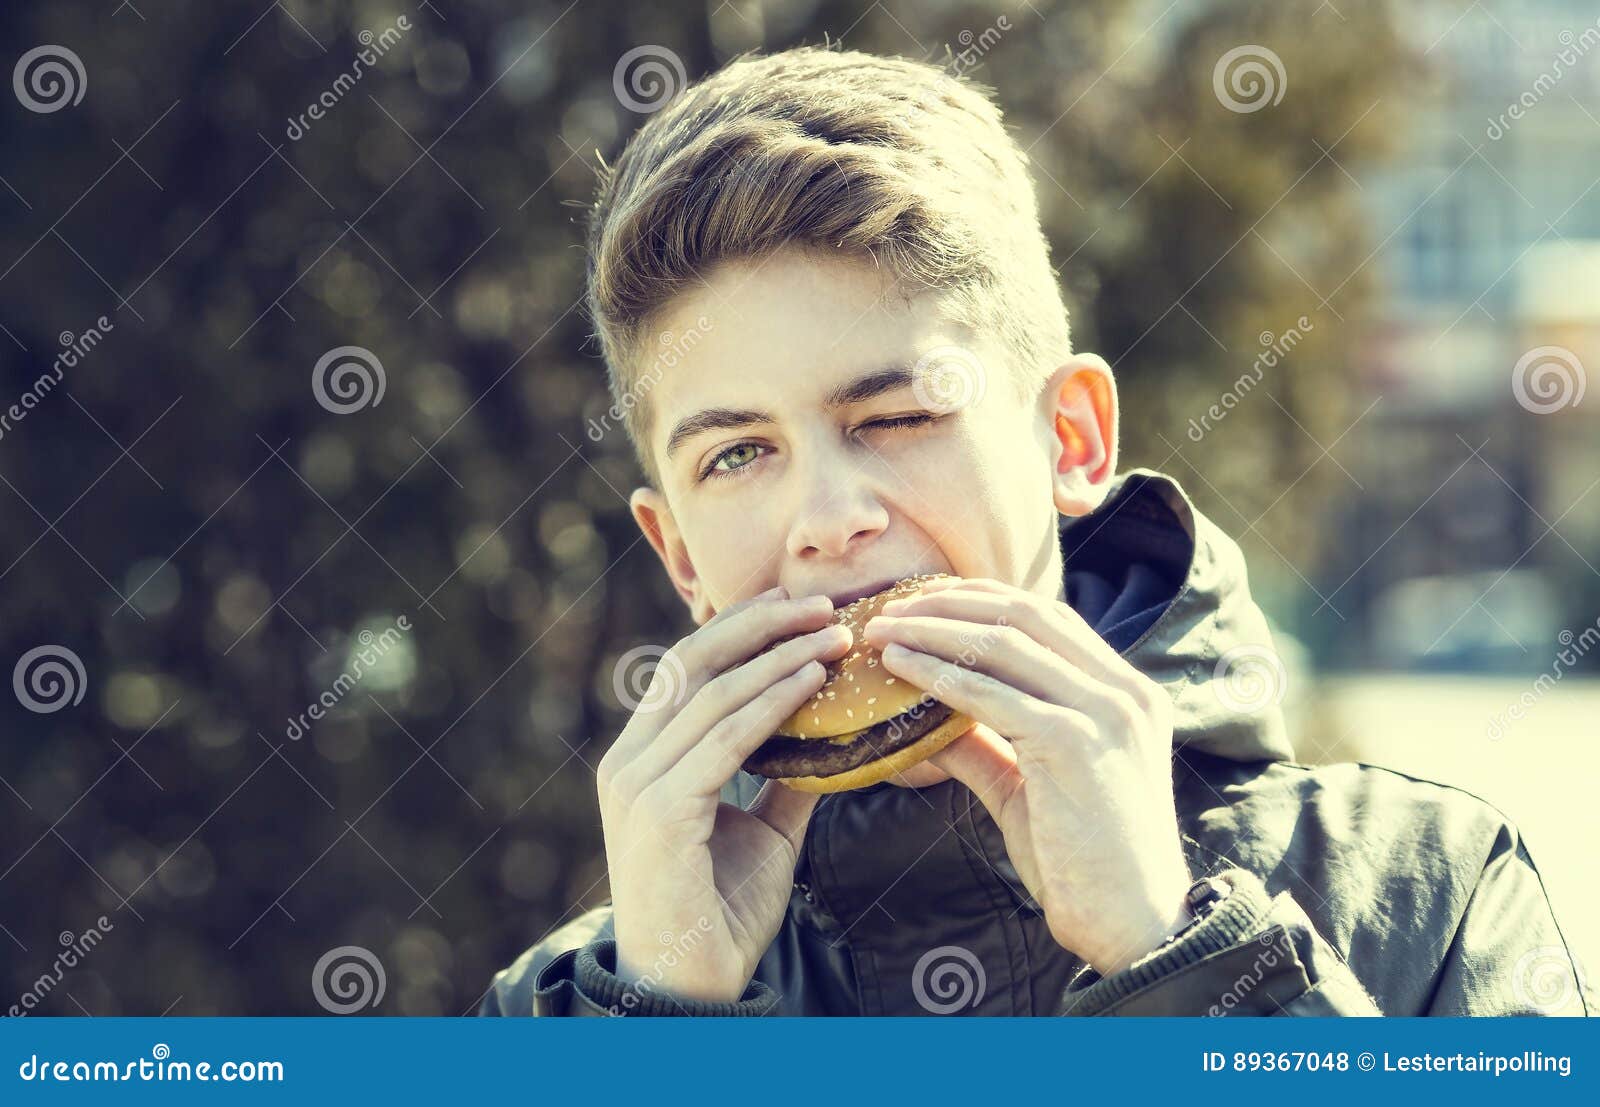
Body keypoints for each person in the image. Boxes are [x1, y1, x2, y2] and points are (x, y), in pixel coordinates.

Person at [479, 45, 1591, 1016]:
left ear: (1070, 440)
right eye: (736, 455)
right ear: (680, 557)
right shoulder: (560, 1016)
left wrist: (1179, 965)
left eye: (898, 416)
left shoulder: (1429, 894)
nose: (826, 521)